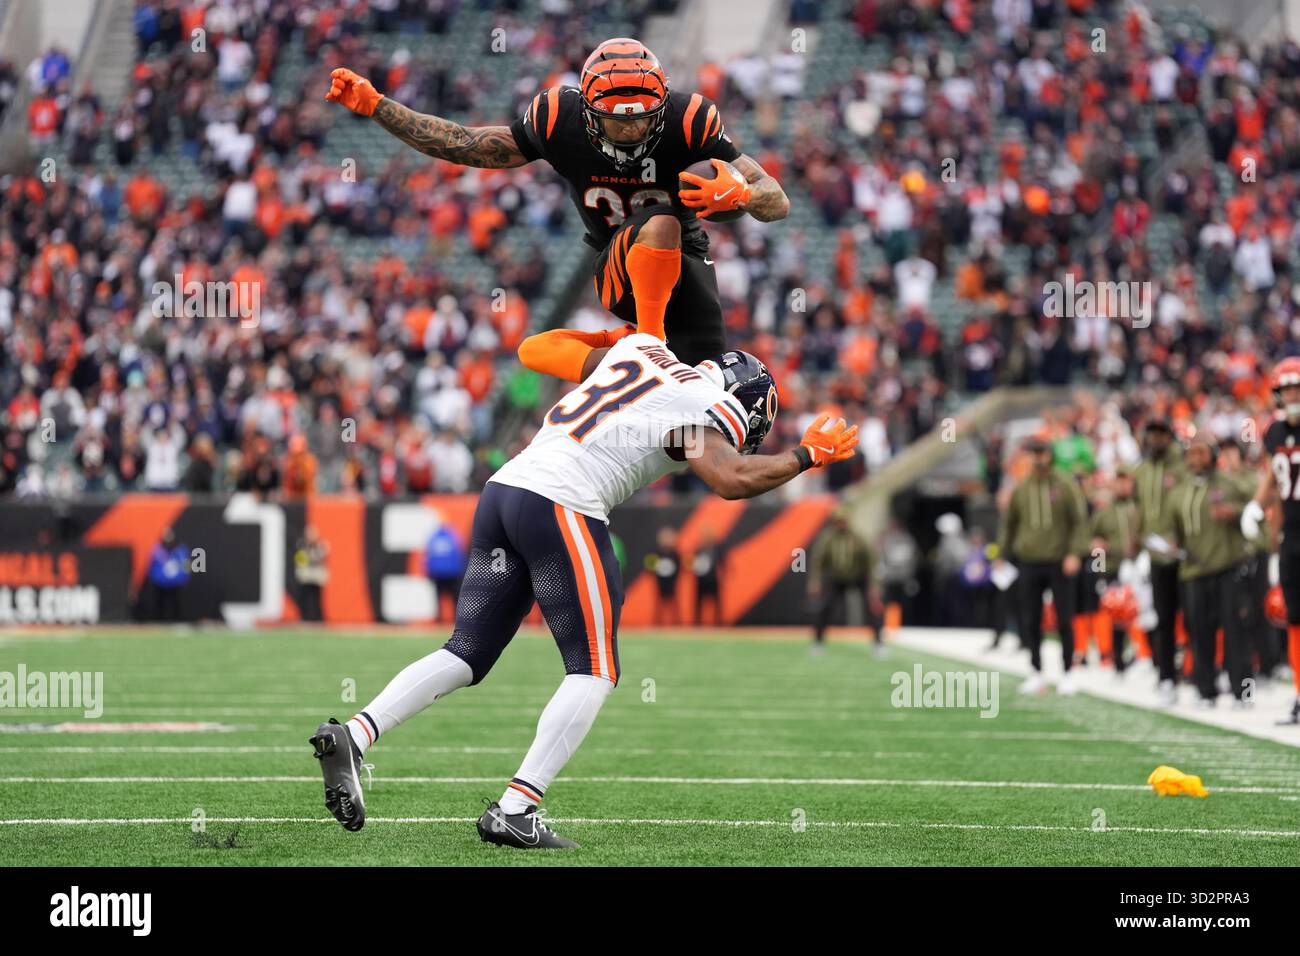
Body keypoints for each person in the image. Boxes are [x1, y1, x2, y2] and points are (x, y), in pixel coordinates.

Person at [310, 333, 857, 848]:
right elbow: (730, 478)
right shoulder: (697, 402)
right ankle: (516, 809)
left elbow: (538, 347)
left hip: (504, 490)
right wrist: (806, 457)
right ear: (745, 401)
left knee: (467, 651)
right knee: (595, 668)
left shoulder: (641, 346)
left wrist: (605, 337)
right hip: (562, 501)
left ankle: (355, 735)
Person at [324, 37, 789, 367]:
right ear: (587, 112)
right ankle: (646, 344)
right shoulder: (557, 118)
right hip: (619, 270)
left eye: (642, 120)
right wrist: (379, 107)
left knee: (699, 397)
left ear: (661, 106)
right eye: (616, 121)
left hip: (687, 264)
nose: (630, 131)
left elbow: (778, 201)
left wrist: (745, 195)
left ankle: (614, 358)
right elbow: (464, 143)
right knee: (661, 220)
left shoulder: (691, 119)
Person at [994, 436, 1089, 695]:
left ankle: (1068, 671)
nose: (1037, 457)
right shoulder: (1021, 488)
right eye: (1033, 453)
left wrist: (1075, 553)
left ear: (1050, 454)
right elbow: (1009, 524)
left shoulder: (1065, 484)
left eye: (1041, 452)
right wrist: (1002, 553)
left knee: (1064, 618)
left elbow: (1079, 521)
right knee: (1030, 618)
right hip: (1029, 561)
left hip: (1059, 560)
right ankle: (1036, 671)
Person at [1171, 434, 1255, 708]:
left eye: (1202, 453)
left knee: (1235, 632)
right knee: (1199, 632)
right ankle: (1205, 691)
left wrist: (1234, 511)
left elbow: (1255, 510)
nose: (1196, 458)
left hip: (1226, 567)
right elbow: (1174, 528)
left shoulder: (1229, 482)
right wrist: (1172, 543)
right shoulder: (1180, 491)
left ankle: (1242, 691)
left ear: (1213, 455)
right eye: (1191, 453)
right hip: (1193, 570)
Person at [1241, 356, 1300, 724]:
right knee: (1296, 618)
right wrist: (1256, 506)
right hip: (1292, 534)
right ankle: (1299, 692)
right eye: (1288, 389)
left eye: (1298, 388)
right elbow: (1272, 479)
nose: (1293, 395)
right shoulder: (1274, 432)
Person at [1134, 419, 1185, 705]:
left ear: (1170, 436)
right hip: (1155, 554)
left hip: (1183, 554)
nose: (1156, 440)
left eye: (1161, 434)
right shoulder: (1143, 471)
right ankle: (1166, 677)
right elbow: (1140, 508)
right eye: (1151, 434)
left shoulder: (1181, 467)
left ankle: (1200, 673)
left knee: (1194, 616)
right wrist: (1137, 536)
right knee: (1163, 618)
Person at [1088, 464, 1141, 675]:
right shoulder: (1104, 513)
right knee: (1116, 614)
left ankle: (1144, 656)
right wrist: (1099, 572)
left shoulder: (1139, 507)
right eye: (1118, 480)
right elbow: (1094, 543)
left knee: (1141, 613)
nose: (1121, 485)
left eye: (1125, 480)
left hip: (1138, 568)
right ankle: (1117, 660)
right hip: (1113, 568)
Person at [808, 508, 881, 656]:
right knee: (825, 608)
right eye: (838, 522)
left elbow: (871, 561)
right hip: (836, 577)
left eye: (843, 521)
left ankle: (878, 644)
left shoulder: (858, 538)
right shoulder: (827, 538)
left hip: (858, 576)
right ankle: (818, 643)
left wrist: (873, 586)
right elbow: (817, 561)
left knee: (871, 609)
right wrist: (814, 581)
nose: (841, 524)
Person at [423, 521, 467, 622]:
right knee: (455, 598)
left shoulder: (433, 537)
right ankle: (457, 619)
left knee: (438, 598)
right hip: (452, 573)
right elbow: (460, 555)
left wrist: (428, 572)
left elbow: (428, 557)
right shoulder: (453, 537)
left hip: (438, 574)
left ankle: (440, 619)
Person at [145, 527, 190, 621]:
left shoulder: (181, 550)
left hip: (176, 583)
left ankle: (177, 621)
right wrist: (155, 578)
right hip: (160, 583)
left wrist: (183, 578)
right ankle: (158, 623)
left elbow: (186, 565)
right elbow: (151, 565)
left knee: (175, 604)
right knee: (159, 604)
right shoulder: (157, 550)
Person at [294, 525, 330, 622]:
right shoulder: (302, 545)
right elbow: (300, 560)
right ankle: (305, 617)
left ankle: (317, 618)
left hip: (316, 575)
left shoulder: (320, 545)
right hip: (306, 575)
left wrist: (310, 555)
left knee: (316, 597)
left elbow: (320, 558)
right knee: (305, 597)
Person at [647, 526, 681, 626]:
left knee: (673, 603)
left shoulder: (675, 554)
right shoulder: (656, 552)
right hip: (660, 582)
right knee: (659, 604)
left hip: (672, 583)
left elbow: (679, 568)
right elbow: (650, 566)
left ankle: (676, 622)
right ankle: (658, 622)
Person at [693, 524, 723, 626]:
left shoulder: (717, 548)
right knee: (698, 603)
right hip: (701, 579)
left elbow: (723, 561)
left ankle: (718, 623)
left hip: (713, 578)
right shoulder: (698, 548)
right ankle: (697, 623)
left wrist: (723, 574)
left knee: (717, 603)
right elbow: (692, 562)